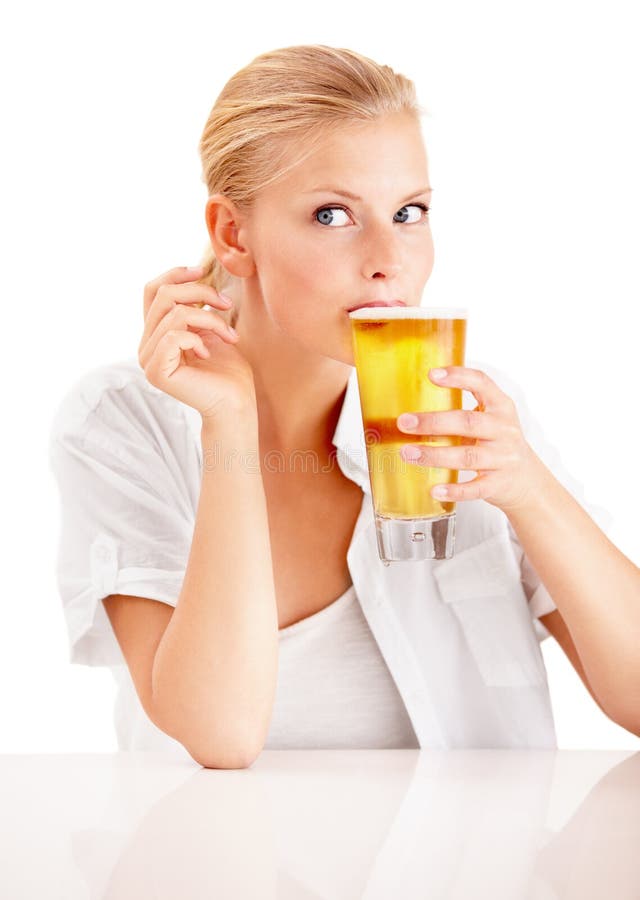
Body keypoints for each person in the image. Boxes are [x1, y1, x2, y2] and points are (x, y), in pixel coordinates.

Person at [49, 44, 639, 768]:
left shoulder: (467, 411)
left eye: (409, 211)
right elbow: (222, 738)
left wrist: (531, 492)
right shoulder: (123, 424)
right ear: (234, 235)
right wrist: (229, 421)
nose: (389, 257)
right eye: (333, 214)